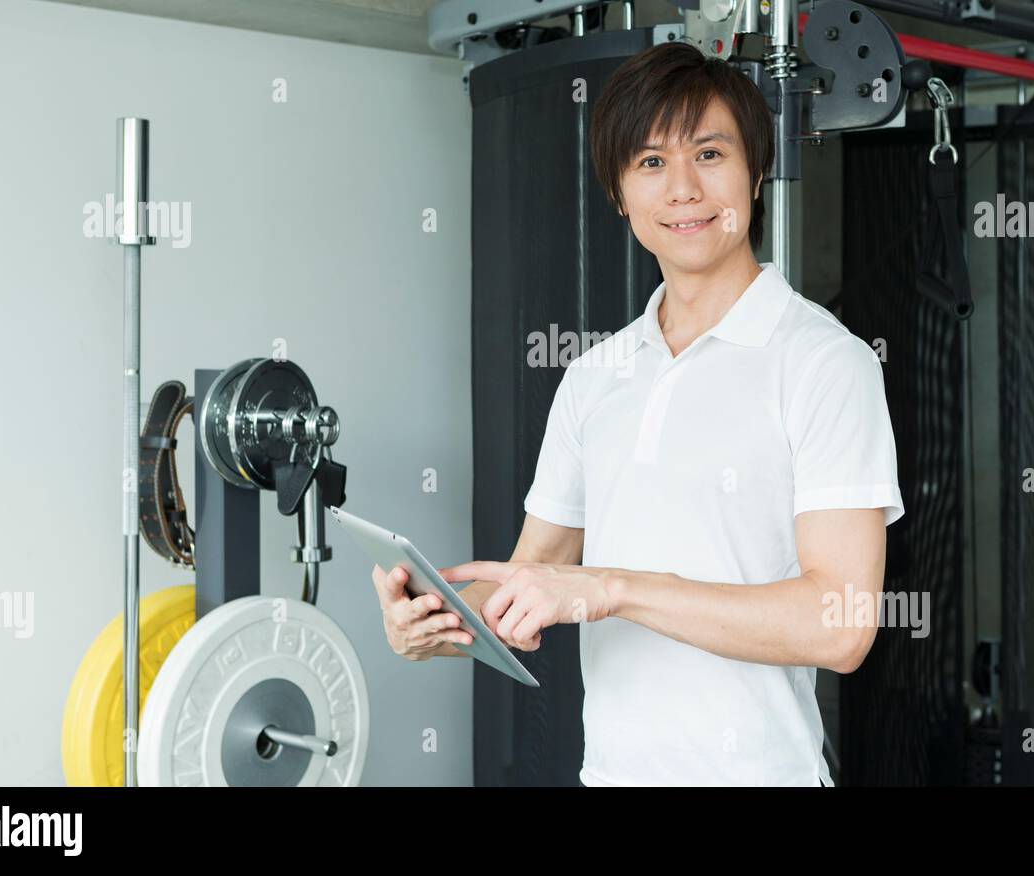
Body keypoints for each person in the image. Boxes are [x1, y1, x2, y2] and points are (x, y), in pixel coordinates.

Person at [373, 40, 904, 786]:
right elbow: (540, 573)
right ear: (620, 193)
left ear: (756, 171)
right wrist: (437, 622)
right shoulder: (595, 378)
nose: (682, 188)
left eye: (710, 154)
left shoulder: (824, 362)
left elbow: (840, 624)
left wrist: (612, 587)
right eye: (651, 162)